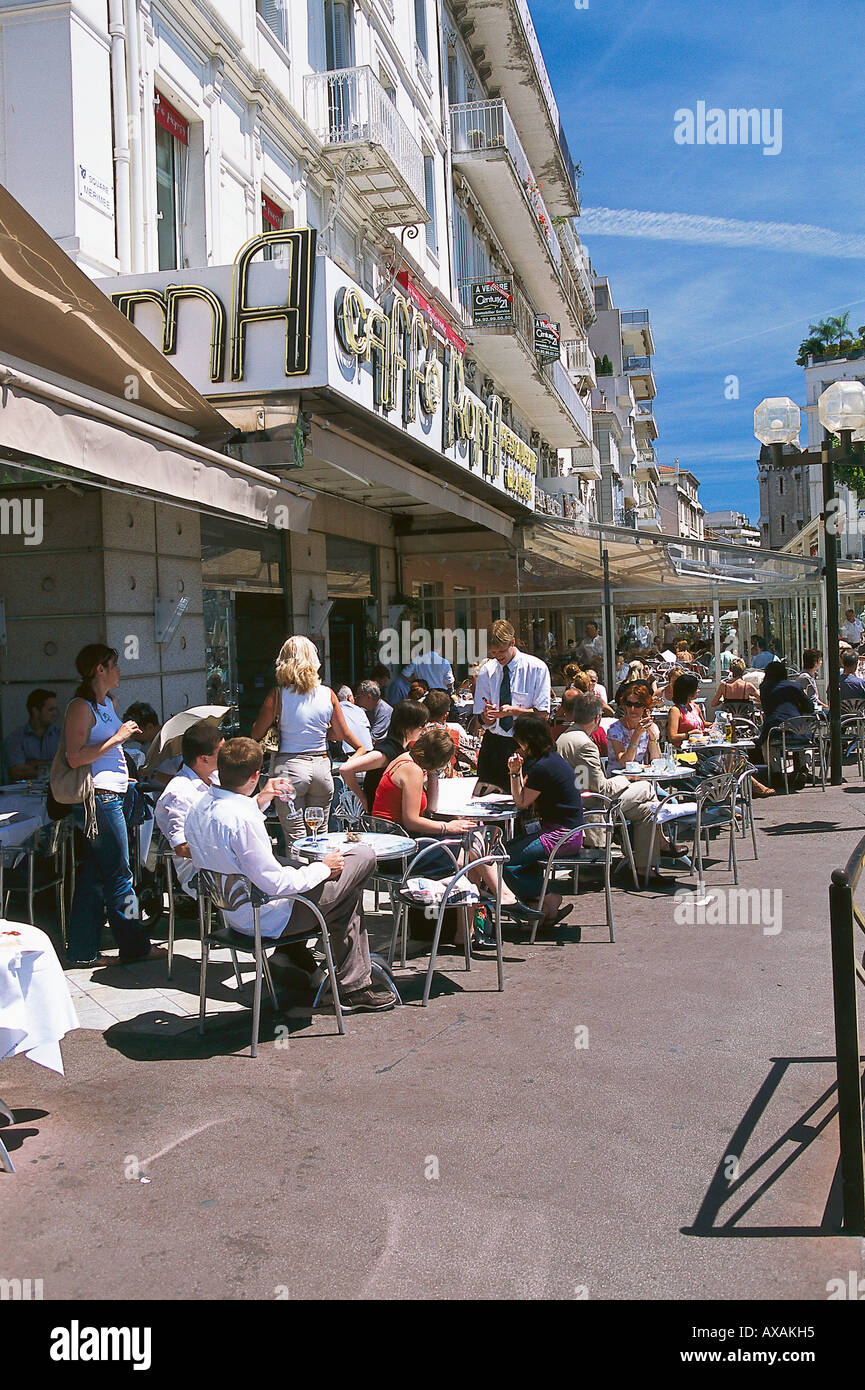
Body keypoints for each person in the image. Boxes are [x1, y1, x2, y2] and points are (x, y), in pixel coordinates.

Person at [185, 738, 393, 1012]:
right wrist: (323, 868)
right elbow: (277, 883)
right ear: (255, 775)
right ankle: (345, 983)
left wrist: (263, 797)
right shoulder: (243, 819)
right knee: (363, 857)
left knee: (344, 895)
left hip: (234, 914)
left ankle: (320, 970)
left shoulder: (198, 808)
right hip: (268, 920)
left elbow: (231, 828)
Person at [63, 644, 160, 968]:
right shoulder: (81, 706)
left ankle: (81, 950)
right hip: (99, 798)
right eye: (114, 664)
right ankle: (134, 945)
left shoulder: (108, 703)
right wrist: (118, 737)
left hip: (112, 794)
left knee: (94, 876)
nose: (120, 669)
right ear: (99, 669)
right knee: (121, 873)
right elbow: (74, 757)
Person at [250, 635, 364, 845]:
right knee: (319, 837)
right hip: (321, 766)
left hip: (289, 769)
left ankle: (300, 877)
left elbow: (256, 733)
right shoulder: (328, 694)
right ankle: (324, 876)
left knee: (296, 840)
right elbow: (339, 734)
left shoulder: (277, 695)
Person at [557, 691, 668, 879]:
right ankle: (657, 849)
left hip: (580, 799)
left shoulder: (565, 737)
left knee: (648, 809)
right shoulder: (585, 744)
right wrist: (629, 778)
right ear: (598, 718)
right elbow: (602, 789)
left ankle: (643, 868)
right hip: (593, 804)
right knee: (647, 788)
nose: (633, 709)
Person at [504, 713, 583, 926]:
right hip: (568, 831)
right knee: (511, 856)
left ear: (528, 741)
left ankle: (548, 898)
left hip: (561, 835)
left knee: (501, 861)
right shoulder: (551, 761)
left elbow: (521, 801)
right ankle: (542, 909)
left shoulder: (543, 767)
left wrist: (514, 773)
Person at [473, 619, 551, 790]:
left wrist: (513, 712)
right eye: (493, 652)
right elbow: (481, 717)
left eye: (502, 651)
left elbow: (543, 715)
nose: (498, 656)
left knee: (523, 802)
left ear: (512, 643)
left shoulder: (536, 668)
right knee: (487, 799)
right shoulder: (488, 670)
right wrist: (487, 716)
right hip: (494, 744)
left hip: (525, 743)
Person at [339, 699, 429, 813]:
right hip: (379, 816)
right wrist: (362, 798)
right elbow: (345, 769)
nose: (425, 729)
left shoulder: (403, 748)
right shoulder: (386, 752)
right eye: (422, 725)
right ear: (407, 726)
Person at [760, 662, 815, 789]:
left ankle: (776, 772)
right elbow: (810, 707)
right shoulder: (795, 686)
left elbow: (767, 709)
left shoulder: (765, 687)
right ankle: (803, 767)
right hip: (797, 729)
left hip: (776, 729)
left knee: (766, 743)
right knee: (807, 739)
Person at [4, 688, 60, 780]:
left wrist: (34, 764)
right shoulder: (15, 738)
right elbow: (17, 772)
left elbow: (69, 765)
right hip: (23, 792)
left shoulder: (61, 736)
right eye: (50, 710)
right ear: (35, 711)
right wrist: (53, 766)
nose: (55, 713)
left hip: (56, 790)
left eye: (55, 709)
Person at [607, 681, 663, 770]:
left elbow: (656, 760)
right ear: (624, 706)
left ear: (644, 706)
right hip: (618, 778)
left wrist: (653, 739)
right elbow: (624, 763)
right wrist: (636, 734)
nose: (633, 709)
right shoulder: (615, 729)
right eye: (629, 704)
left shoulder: (649, 727)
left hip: (640, 777)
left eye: (637, 705)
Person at [666, 673, 708, 748]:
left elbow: (703, 724)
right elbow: (672, 737)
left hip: (701, 746)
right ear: (688, 692)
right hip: (684, 750)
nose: (698, 690)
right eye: (696, 688)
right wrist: (689, 734)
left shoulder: (694, 706)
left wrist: (714, 725)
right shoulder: (675, 711)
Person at [335, 686, 373, 755]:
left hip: (347, 755)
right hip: (368, 753)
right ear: (349, 698)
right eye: (354, 697)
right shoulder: (361, 711)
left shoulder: (334, 711)